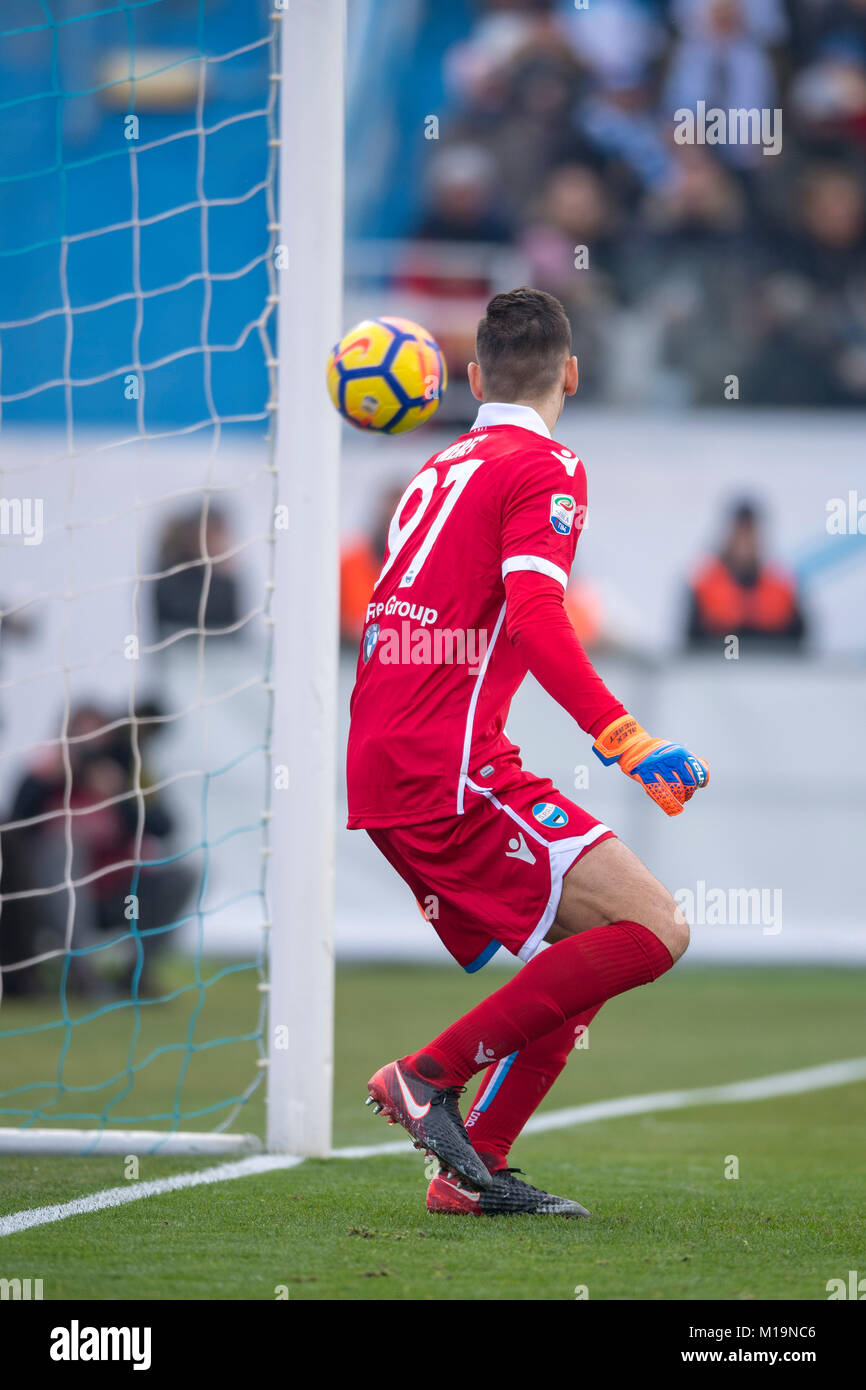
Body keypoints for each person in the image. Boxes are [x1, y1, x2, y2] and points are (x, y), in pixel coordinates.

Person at [346, 288, 708, 1218]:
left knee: (600, 940)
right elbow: (539, 614)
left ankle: (473, 1174)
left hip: (397, 756)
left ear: (471, 378)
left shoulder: (438, 469)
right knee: (658, 929)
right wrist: (627, 738)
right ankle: (427, 1079)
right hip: (449, 765)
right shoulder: (546, 464)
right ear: (572, 375)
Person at [686, 499, 806, 648]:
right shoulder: (703, 587)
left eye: (750, 533)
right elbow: (692, 643)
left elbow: (799, 642)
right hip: (720, 668)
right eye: (740, 533)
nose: (745, 542)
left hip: (769, 668)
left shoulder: (782, 588)